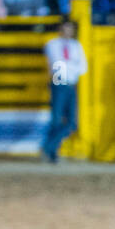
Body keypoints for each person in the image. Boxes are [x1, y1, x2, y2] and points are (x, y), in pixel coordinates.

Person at [41, 18, 86, 163]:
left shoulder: (76, 45)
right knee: (56, 119)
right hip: (59, 81)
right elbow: (57, 62)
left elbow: (82, 67)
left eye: (70, 28)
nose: (68, 31)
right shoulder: (53, 44)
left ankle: (48, 147)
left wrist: (70, 70)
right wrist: (71, 68)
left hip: (71, 83)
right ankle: (52, 151)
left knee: (71, 122)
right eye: (65, 28)